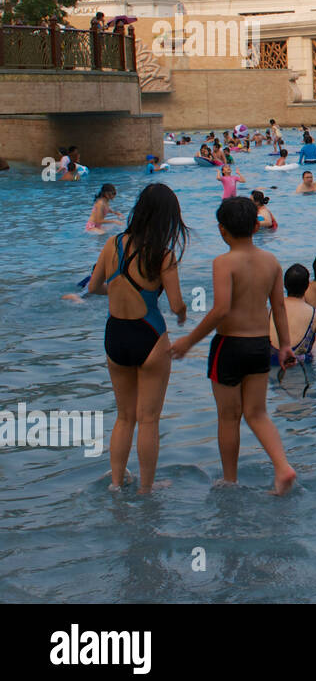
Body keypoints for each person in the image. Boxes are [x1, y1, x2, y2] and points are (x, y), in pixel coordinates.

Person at [169, 197, 297, 496]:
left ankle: (230, 479)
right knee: (257, 413)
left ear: (221, 230)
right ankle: (282, 467)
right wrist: (286, 345)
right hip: (259, 346)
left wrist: (189, 340)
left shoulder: (223, 263)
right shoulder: (272, 262)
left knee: (228, 417)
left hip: (228, 346)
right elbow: (279, 307)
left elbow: (221, 309)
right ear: (256, 225)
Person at [84, 184, 190, 493]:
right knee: (148, 419)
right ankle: (146, 488)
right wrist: (183, 314)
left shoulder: (113, 243)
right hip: (150, 335)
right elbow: (175, 304)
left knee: (124, 417)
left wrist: (115, 290)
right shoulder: (163, 255)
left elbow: (93, 287)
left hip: (115, 335)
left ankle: (116, 483)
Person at [269, 263, 316, 369]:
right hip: (299, 365)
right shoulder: (315, 315)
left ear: (285, 284)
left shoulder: (271, 309)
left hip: (272, 361)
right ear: (307, 286)